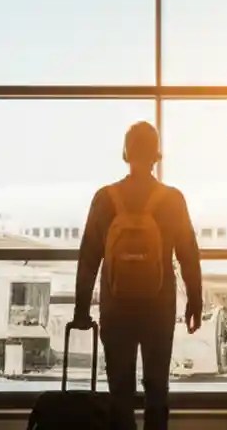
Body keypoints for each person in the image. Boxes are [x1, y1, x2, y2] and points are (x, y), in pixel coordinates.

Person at [73, 121, 203, 430]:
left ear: (125, 153)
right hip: (159, 306)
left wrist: (81, 309)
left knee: (120, 392)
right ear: (156, 155)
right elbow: (188, 253)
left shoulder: (105, 199)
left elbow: (89, 256)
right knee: (157, 390)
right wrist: (195, 300)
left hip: (116, 307)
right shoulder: (172, 200)